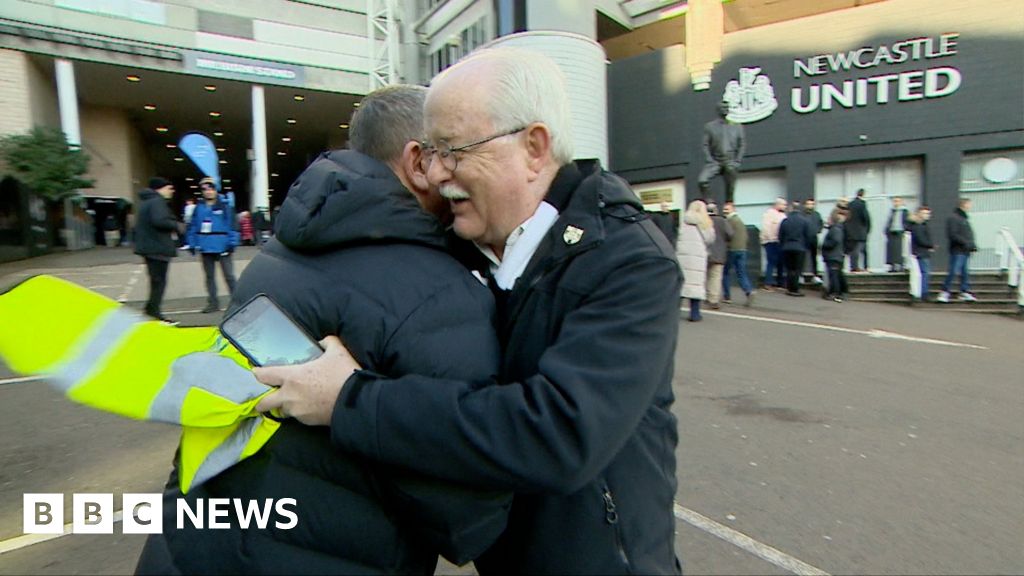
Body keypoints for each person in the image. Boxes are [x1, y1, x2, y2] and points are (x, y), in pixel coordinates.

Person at [254, 47, 683, 575]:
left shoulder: (628, 260)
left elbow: (559, 434)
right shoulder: (459, 246)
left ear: (534, 147)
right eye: (430, 152)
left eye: (454, 150)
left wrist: (349, 400)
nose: (434, 174)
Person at [136, 85, 510, 574]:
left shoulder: (279, 252)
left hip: (186, 546)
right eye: (453, 152)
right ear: (419, 162)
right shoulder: (440, 294)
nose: (458, 171)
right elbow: (467, 518)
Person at [186, 177, 238, 313]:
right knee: (209, 277)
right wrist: (191, 243)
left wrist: (232, 243)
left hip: (223, 245)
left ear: (216, 189)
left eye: (211, 188)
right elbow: (192, 226)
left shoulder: (225, 205)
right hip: (205, 246)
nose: (208, 191)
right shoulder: (199, 207)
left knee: (229, 276)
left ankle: (238, 303)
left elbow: (233, 225)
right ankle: (213, 303)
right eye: (204, 189)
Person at [133, 177, 179, 322]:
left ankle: (151, 309)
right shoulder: (157, 202)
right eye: (169, 188)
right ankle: (153, 312)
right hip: (157, 248)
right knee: (159, 281)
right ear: (160, 188)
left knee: (156, 281)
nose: (172, 191)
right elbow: (160, 220)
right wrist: (176, 225)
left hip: (149, 247)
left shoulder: (147, 202)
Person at [698, 100, 745, 203]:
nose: (725, 110)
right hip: (715, 161)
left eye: (727, 108)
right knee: (702, 180)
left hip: (730, 160)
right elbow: (705, 145)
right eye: (723, 108)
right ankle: (710, 202)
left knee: (730, 187)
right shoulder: (710, 126)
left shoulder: (737, 126)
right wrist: (710, 160)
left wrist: (737, 161)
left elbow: (741, 145)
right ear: (718, 110)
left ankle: (729, 203)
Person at [678, 199, 715, 320]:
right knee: (696, 284)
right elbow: (710, 239)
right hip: (698, 256)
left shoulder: (684, 220)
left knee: (682, 285)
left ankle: (673, 313)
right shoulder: (704, 222)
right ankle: (695, 314)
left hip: (683, 256)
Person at [937, 197, 978, 303]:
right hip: (958, 250)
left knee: (964, 272)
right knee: (954, 270)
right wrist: (966, 243)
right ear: (964, 205)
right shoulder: (954, 218)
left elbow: (967, 234)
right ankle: (945, 291)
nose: (970, 206)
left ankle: (964, 291)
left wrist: (972, 245)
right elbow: (953, 234)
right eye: (969, 204)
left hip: (965, 250)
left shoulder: (964, 219)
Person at [722, 201, 754, 306]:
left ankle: (727, 296)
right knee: (741, 273)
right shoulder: (740, 221)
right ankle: (748, 291)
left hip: (731, 249)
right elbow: (746, 237)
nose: (725, 211)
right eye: (724, 209)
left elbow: (727, 235)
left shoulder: (729, 221)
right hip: (742, 249)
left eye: (727, 209)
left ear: (733, 210)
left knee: (725, 272)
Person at [778, 201, 814, 296]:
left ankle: (789, 288)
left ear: (791, 209)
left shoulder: (785, 221)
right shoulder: (804, 221)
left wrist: (783, 245)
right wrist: (805, 246)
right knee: (797, 269)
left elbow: (780, 235)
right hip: (800, 248)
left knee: (789, 269)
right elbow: (808, 235)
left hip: (787, 247)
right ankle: (795, 289)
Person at [705, 200, 731, 310]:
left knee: (705, 276)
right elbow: (730, 234)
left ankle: (706, 295)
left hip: (705, 252)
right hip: (719, 253)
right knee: (715, 277)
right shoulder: (722, 221)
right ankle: (713, 300)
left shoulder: (703, 221)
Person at [907, 205, 935, 301]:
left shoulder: (920, 225)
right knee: (924, 273)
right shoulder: (918, 226)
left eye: (928, 213)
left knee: (922, 273)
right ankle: (923, 293)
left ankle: (921, 293)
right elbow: (921, 240)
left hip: (921, 252)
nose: (927, 215)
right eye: (925, 213)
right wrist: (930, 245)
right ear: (919, 213)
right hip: (921, 253)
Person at [821, 208, 848, 302]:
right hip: (836, 255)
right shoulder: (837, 228)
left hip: (833, 256)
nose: (827, 220)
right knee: (837, 275)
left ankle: (834, 293)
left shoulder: (835, 229)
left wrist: (825, 245)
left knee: (834, 276)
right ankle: (840, 292)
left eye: (829, 218)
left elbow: (835, 241)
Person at [760, 197, 787, 289]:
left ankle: (780, 282)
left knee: (781, 262)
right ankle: (768, 282)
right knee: (771, 262)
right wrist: (769, 239)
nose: (785, 206)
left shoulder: (783, 215)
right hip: (771, 241)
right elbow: (766, 228)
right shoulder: (769, 214)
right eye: (783, 204)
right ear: (777, 204)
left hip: (780, 241)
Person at [846, 188, 871, 272]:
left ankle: (853, 267)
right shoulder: (862, 204)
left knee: (853, 251)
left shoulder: (850, 204)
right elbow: (865, 218)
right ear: (863, 194)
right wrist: (867, 229)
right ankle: (865, 267)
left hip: (850, 232)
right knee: (862, 250)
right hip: (860, 232)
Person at [803, 198, 824, 284]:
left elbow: (821, 224)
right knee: (802, 258)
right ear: (805, 205)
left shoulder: (817, 215)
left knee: (814, 258)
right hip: (804, 239)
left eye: (811, 204)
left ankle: (815, 275)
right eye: (808, 204)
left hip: (814, 238)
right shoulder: (802, 215)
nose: (810, 206)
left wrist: (817, 231)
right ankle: (801, 275)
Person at [886, 196, 910, 272]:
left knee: (900, 250)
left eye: (897, 201)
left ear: (901, 202)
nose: (896, 203)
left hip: (900, 232)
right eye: (894, 201)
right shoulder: (892, 211)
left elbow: (907, 222)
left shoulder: (905, 211)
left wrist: (905, 229)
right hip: (892, 232)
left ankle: (901, 265)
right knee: (892, 250)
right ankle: (892, 265)